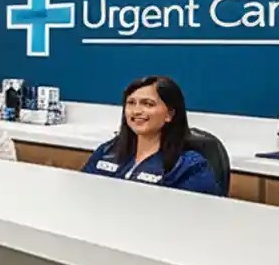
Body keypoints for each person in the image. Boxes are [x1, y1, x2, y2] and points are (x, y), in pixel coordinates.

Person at [81, 75, 221, 195]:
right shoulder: (107, 152)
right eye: (131, 103)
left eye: (148, 104)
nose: (136, 111)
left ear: (169, 114)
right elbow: (82, 194)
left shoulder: (189, 167)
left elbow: (196, 213)